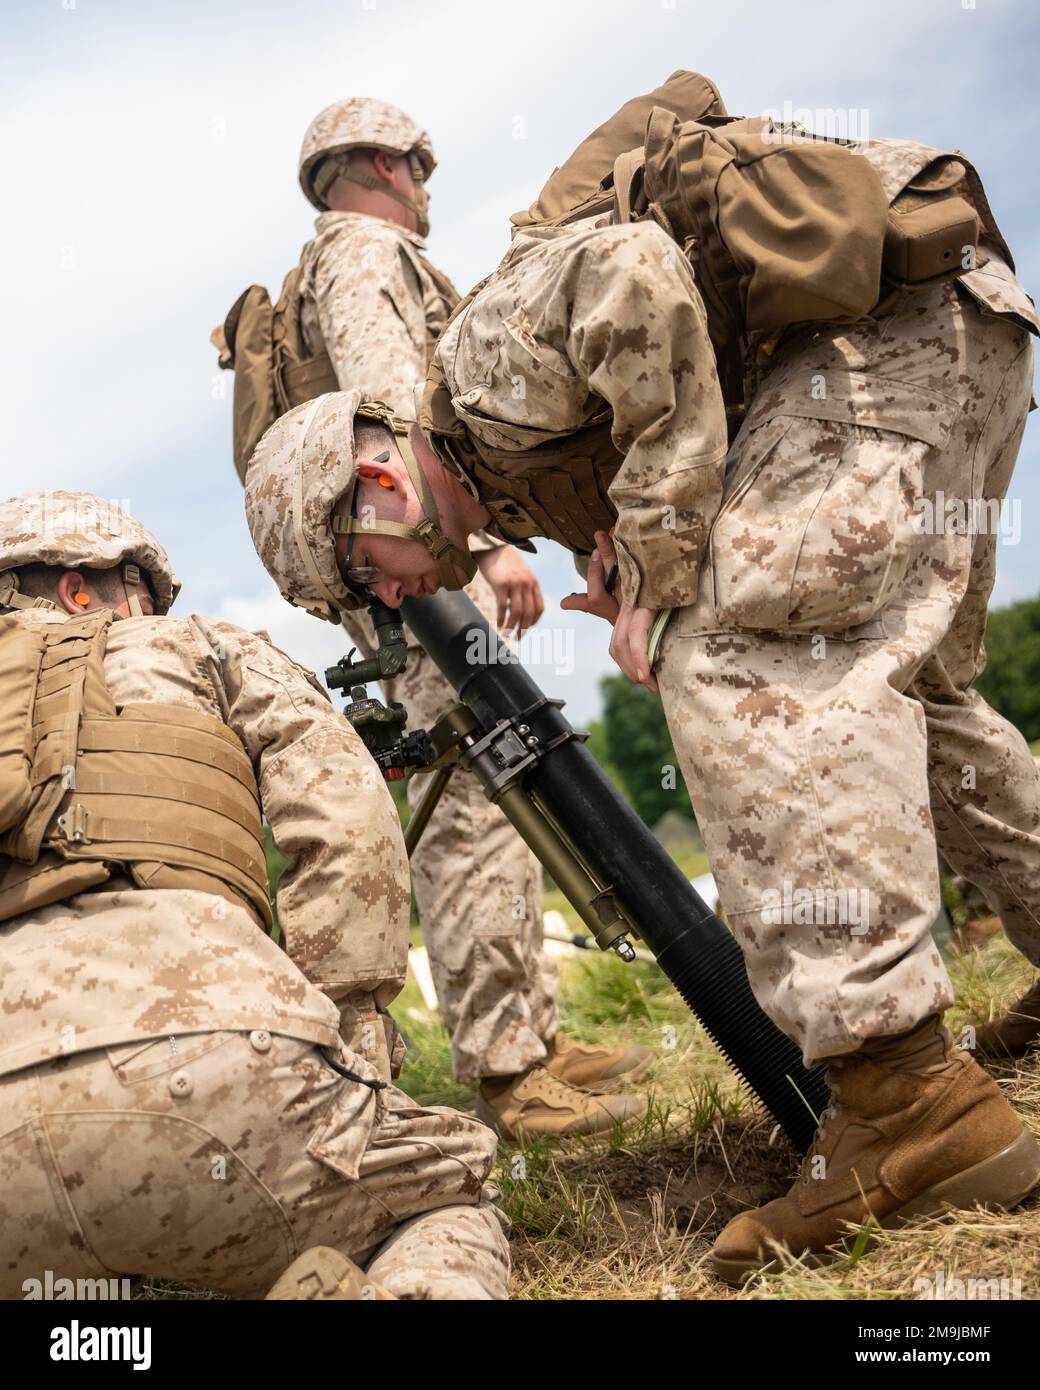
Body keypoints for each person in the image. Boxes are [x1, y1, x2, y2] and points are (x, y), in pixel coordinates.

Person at [244, 104, 1040, 1282]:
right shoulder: (505, 464)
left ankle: (904, 1101)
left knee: (730, 652)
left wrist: (661, 566)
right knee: (907, 685)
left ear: (376, 480)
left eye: (361, 572)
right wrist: (627, 544)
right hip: (940, 323)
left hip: (897, 337)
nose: (391, 595)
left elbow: (635, 277)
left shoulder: (468, 372)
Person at [218, 96, 653, 1138]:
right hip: (412, 546)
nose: (426, 184)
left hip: (397, 549)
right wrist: (484, 539)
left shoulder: (338, 257)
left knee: (498, 781)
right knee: (473, 790)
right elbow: (391, 399)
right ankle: (508, 1066)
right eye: (417, 165)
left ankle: (529, 1036)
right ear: (379, 163)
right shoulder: (363, 250)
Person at [0, 490, 510, 1300]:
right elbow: (348, 823)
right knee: (450, 1197)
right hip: (214, 1071)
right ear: (80, 589)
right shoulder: (199, 645)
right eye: (144, 593)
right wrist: (351, 1040)